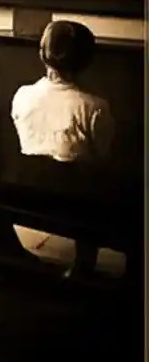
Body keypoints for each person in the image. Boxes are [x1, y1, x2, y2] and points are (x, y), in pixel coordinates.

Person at [11, 20, 117, 277]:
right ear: (86, 61)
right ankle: (84, 262)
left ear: (41, 54)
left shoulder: (22, 95)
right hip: (78, 202)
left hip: (27, 191)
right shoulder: (95, 108)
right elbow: (102, 158)